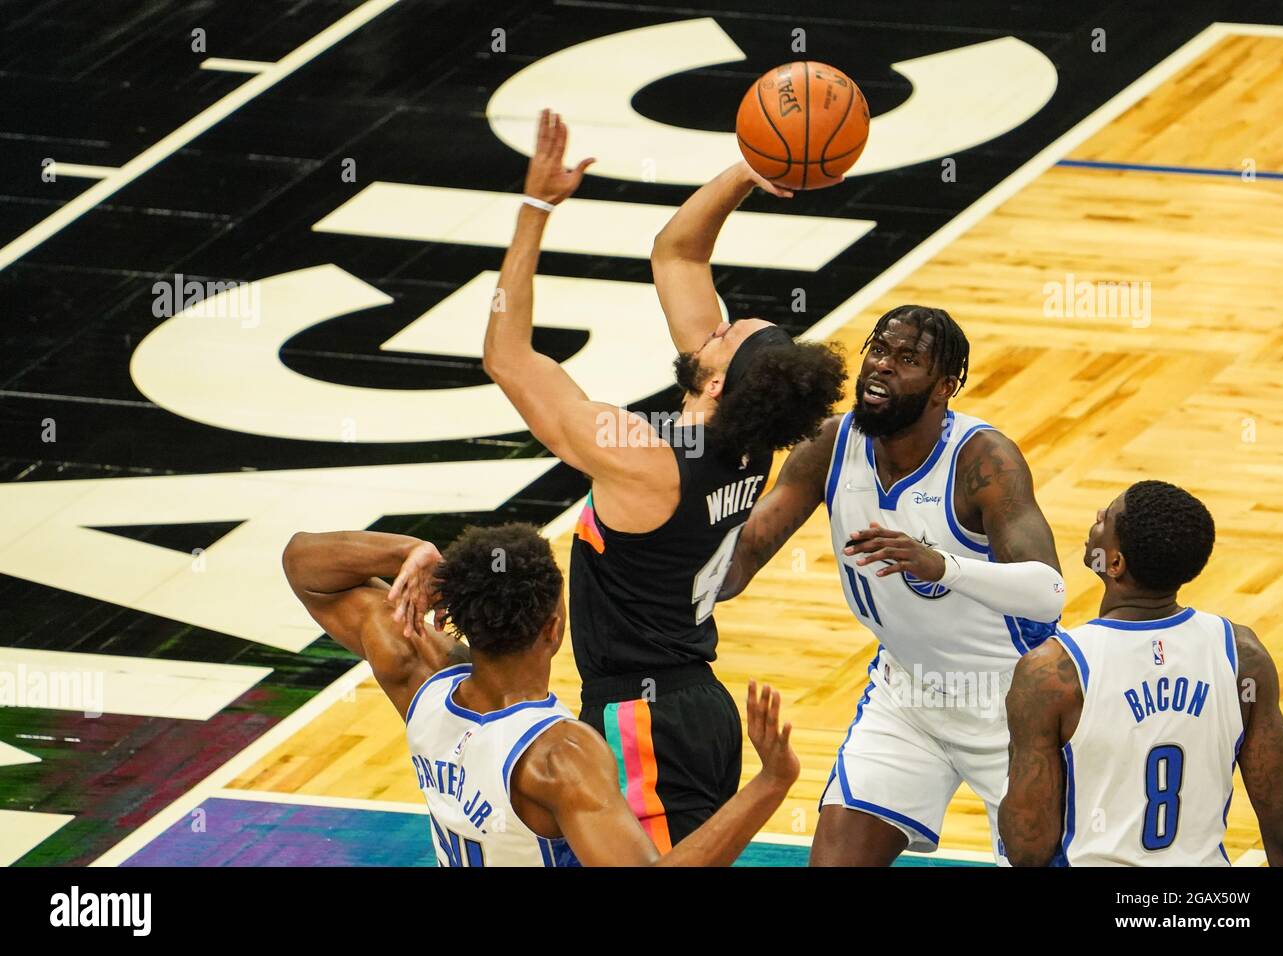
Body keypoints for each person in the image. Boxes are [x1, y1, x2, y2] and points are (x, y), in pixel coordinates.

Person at [388, 109, 845, 848]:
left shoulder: (645, 455)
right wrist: (744, 174)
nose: (715, 326)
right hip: (694, 701)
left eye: (726, 334)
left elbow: (506, 357)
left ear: (722, 380)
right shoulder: (744, 440)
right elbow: (678, 256)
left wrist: (535, 211)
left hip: (642, 713)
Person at [719, 304, 1066, 865]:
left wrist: (941, 566)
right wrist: (667, 555)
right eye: (878, 351)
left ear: (943, 387)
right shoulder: (831, 444)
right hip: (906, 694)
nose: (882, 366)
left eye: (907, 360)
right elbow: (742, 560)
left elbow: (1048, 593)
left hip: (1011, 702)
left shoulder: (983, 460)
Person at [282, 522, 799, 866]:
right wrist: (771, 782)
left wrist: (409, 552)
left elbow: (302, 565)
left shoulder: (417, 673)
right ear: (554, 630)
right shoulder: (560, 757)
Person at [1000, 480, 1283, 866]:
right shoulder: (1242, 657)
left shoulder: (1053, 673)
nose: (1096, 518)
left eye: (1105, 520)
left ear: (1115, 563)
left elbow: (1028, 847)